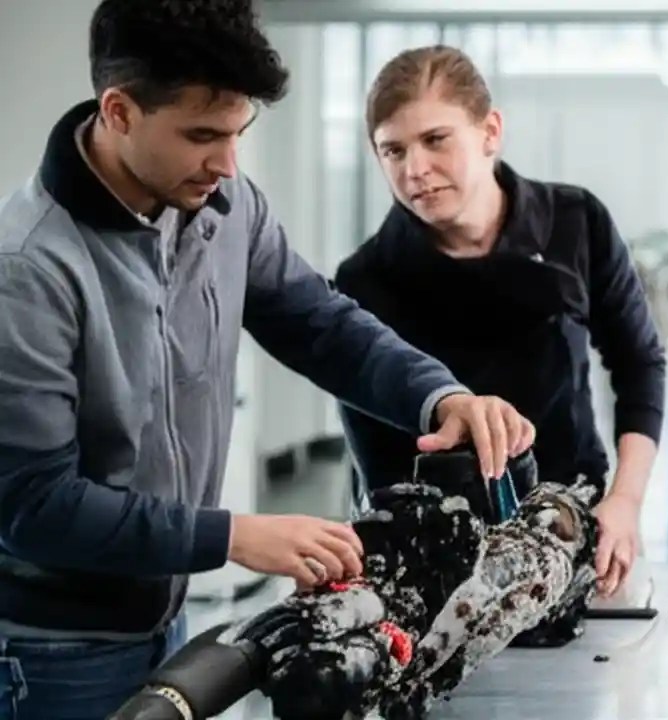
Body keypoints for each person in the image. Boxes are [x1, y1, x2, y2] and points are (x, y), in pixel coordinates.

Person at [0, 2, 532, 717]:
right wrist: (232, 536)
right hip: (50, 656)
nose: (226, 165)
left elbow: (321, 325)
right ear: (119, 112)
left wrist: (439, 397)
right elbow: (32, 506)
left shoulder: (225, 206)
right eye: (201, 136)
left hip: (161, 622)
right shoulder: (27, 269)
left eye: (237, 133)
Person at [334, 46, 666, 600]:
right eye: (393, 150)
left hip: (573, 524)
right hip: (433, 549)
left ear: (489, 132)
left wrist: (626, 502)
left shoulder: (576, 222)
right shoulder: (365, 280)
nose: (414, 170)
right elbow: (381, 471)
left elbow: (640, 363)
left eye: (435, 140)